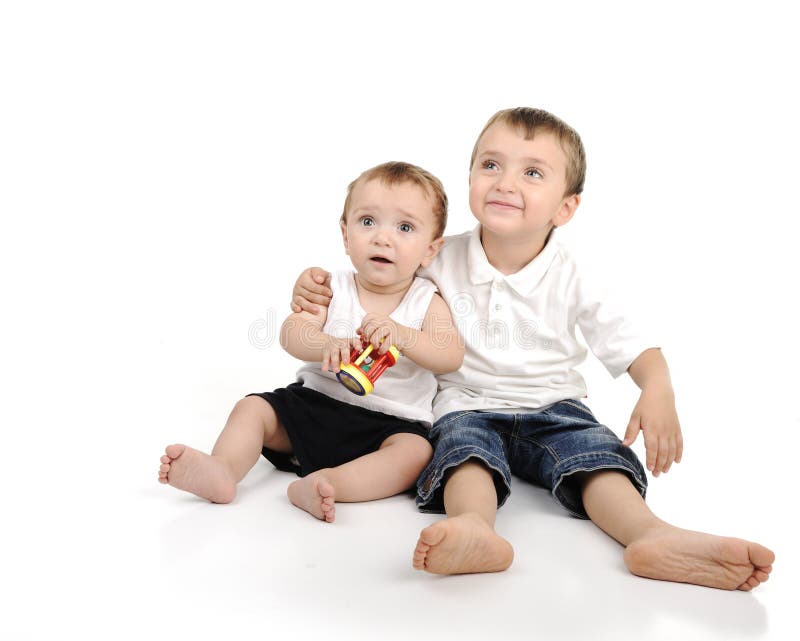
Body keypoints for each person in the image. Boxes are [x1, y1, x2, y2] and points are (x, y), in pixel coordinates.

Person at [290, 108, 775, 589]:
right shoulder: (434, 253)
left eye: (533, 173)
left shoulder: (574, 276)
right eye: (491, 165)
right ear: (470, 179)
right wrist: (312, 287)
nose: (505, 183)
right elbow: (373, 273)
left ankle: (650, 535)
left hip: (555, 406)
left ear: (565, 208)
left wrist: (658, 388)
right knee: (464, 455)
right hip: (465, 404)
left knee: (595, 457)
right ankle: (474, 529)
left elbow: (633, 345)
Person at [158, 161, 464, 523]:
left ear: (430, 250)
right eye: (368, 222)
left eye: (405, 227)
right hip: (315, 405)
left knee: (415, 453)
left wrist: (404, 335)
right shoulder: (331, 287)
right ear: (346, 236)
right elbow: (292, 332)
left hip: (388, 424)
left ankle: (328, 483)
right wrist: (324, 344)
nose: (383, 238)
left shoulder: (426, 301)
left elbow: (450, 355)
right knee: (252, 409)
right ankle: (223, 468)